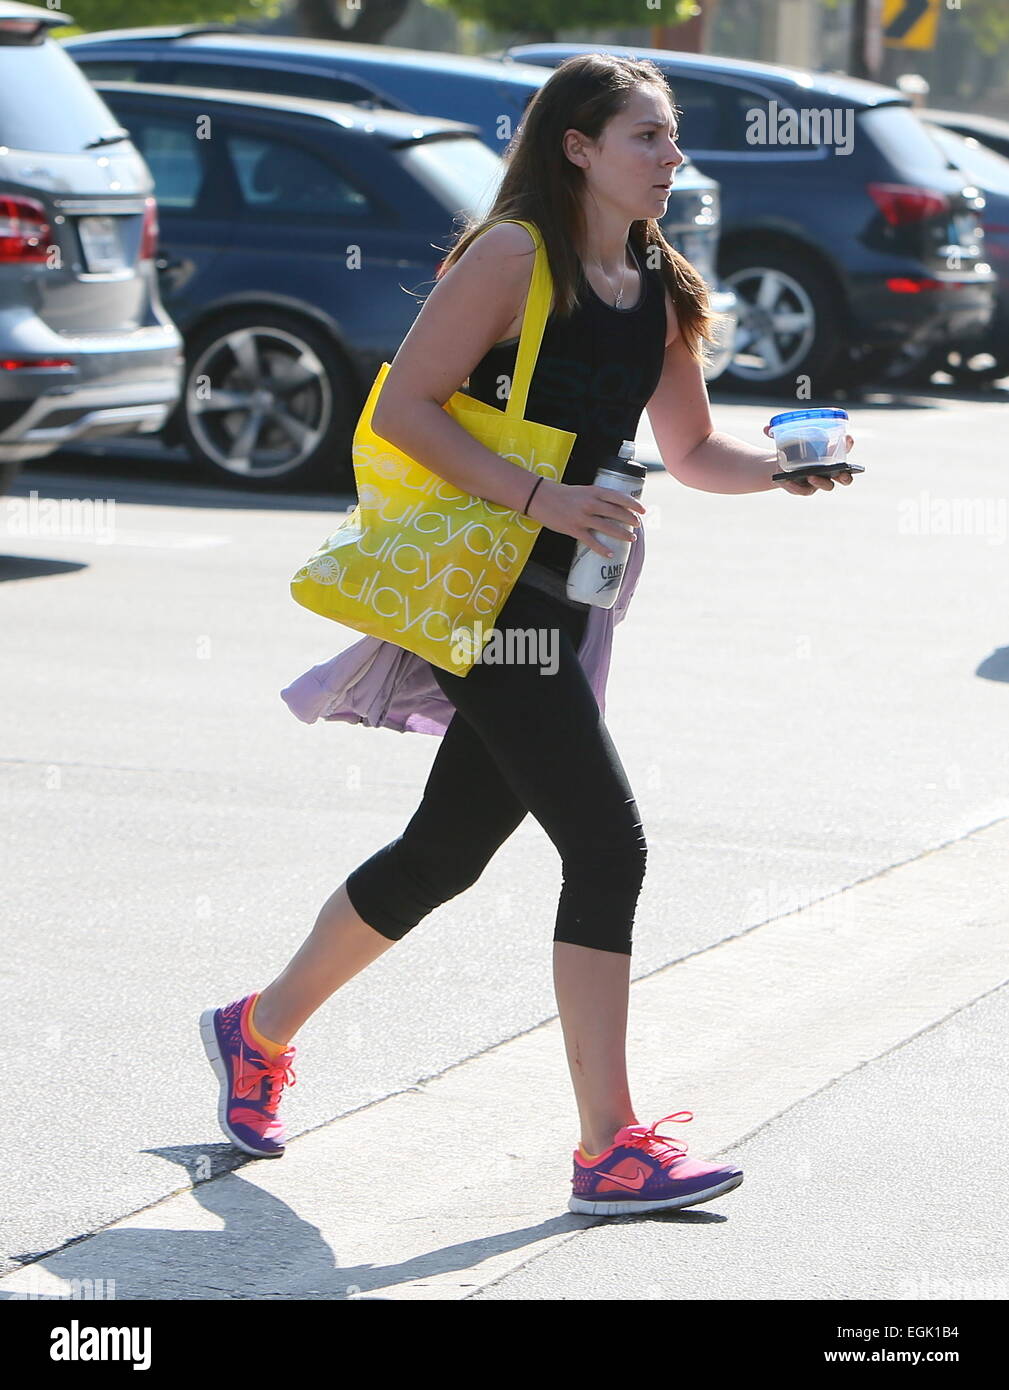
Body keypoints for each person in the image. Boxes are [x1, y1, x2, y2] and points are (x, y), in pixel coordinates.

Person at [200, 53, 857, 1218]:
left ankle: (256, 1030)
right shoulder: (512, 256)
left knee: (448, 848)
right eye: (646, 137)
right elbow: (402, 403)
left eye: (671, 138)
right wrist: (537, 497)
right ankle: (609, 1146)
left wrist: (787, 472)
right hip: (487, 592)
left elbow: (695, 451)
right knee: (609, 846)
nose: (671, 157)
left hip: (568, 595)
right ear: (578, 146)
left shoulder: (657, 278)